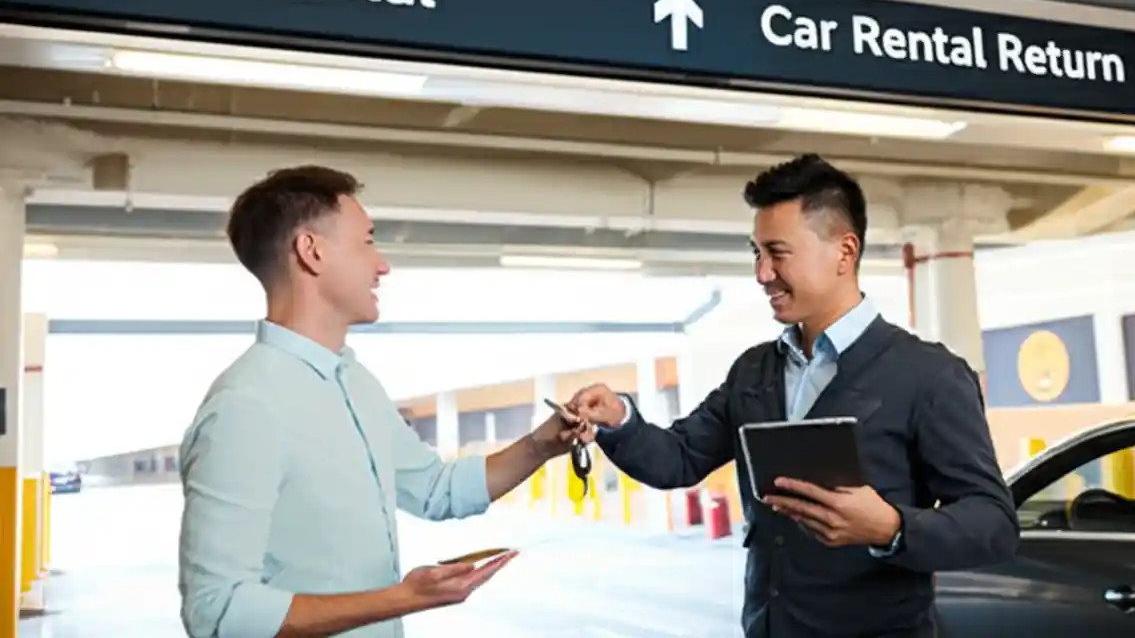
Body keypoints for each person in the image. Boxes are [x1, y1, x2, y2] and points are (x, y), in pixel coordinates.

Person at [568, 154, 1019, 638]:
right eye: (756, 253)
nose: (762, 274)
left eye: (777, 253)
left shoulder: (930, 375)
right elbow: (677, 458)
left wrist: (892, 527)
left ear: (845, 253)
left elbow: (992, 523)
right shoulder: (753, 371)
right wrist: (620, 420)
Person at [177, 165, 585, 638]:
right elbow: (217, 611)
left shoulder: (355, 382)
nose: (382, 264)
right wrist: (403, 599)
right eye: (367, 241)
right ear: (312, 251)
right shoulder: (245, 407)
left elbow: (436, 489)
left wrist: (543, 444)